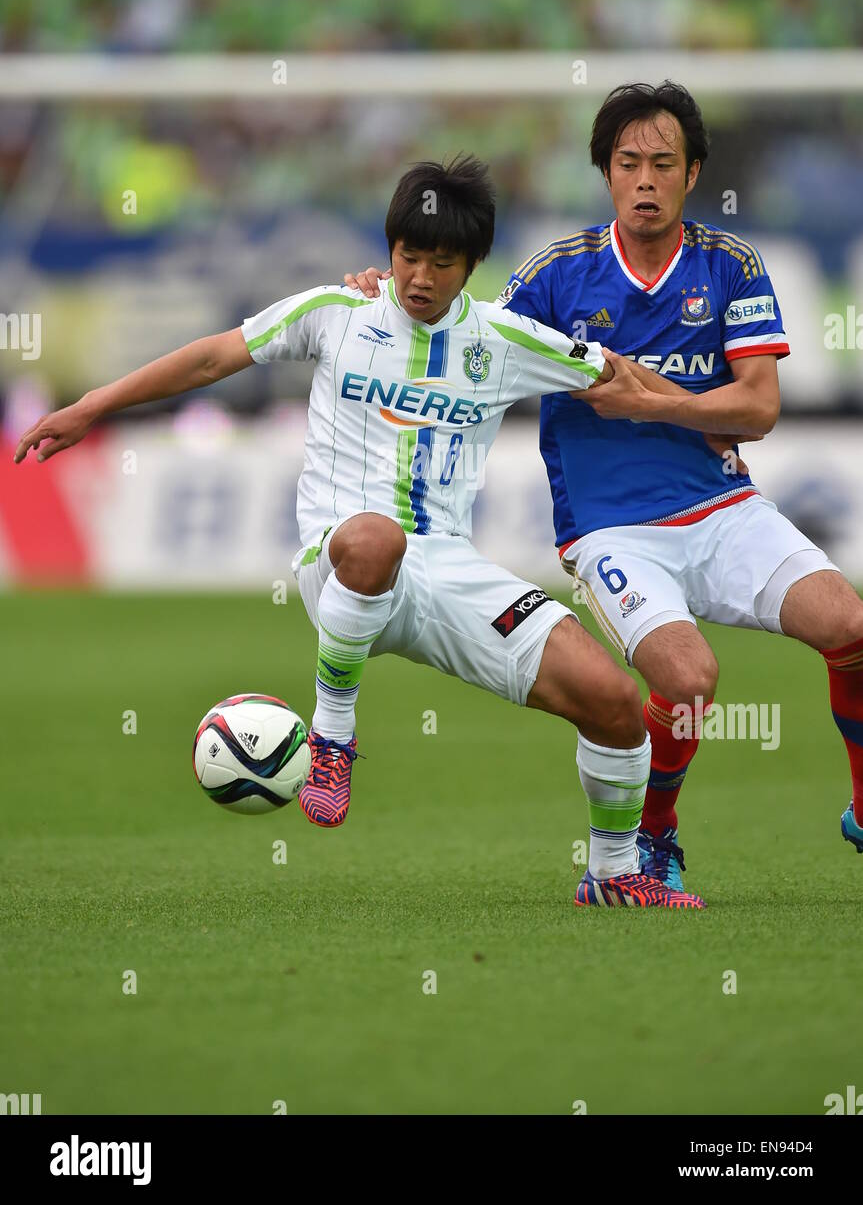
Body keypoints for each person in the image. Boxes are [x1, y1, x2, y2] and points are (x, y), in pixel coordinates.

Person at [13, 154, 704, 909]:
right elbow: (214, 355)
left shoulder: (506, 341)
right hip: (340, 556)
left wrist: (720, 427)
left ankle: (609, 874)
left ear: (471, 266)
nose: (418, 277)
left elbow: (621, 376)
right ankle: (331, 735)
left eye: (441, 263)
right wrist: (90, 406)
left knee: (611, 701)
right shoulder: (335, 312)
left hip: (448, 571)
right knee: (378, 537)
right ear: (388, 249)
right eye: (407, 256)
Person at [344, 91, 863, 890]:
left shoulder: (731, 265)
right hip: (609, 529)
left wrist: (654, 403)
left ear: (692, 174)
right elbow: (462, 335)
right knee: (687, 681)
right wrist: (388, 291)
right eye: (627, 164)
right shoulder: (558, 275)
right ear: (606, 174)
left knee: (851, 626)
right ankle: (651, 839)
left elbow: (757, 409)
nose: (644, 180)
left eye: (662, 164)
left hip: (724, 509)